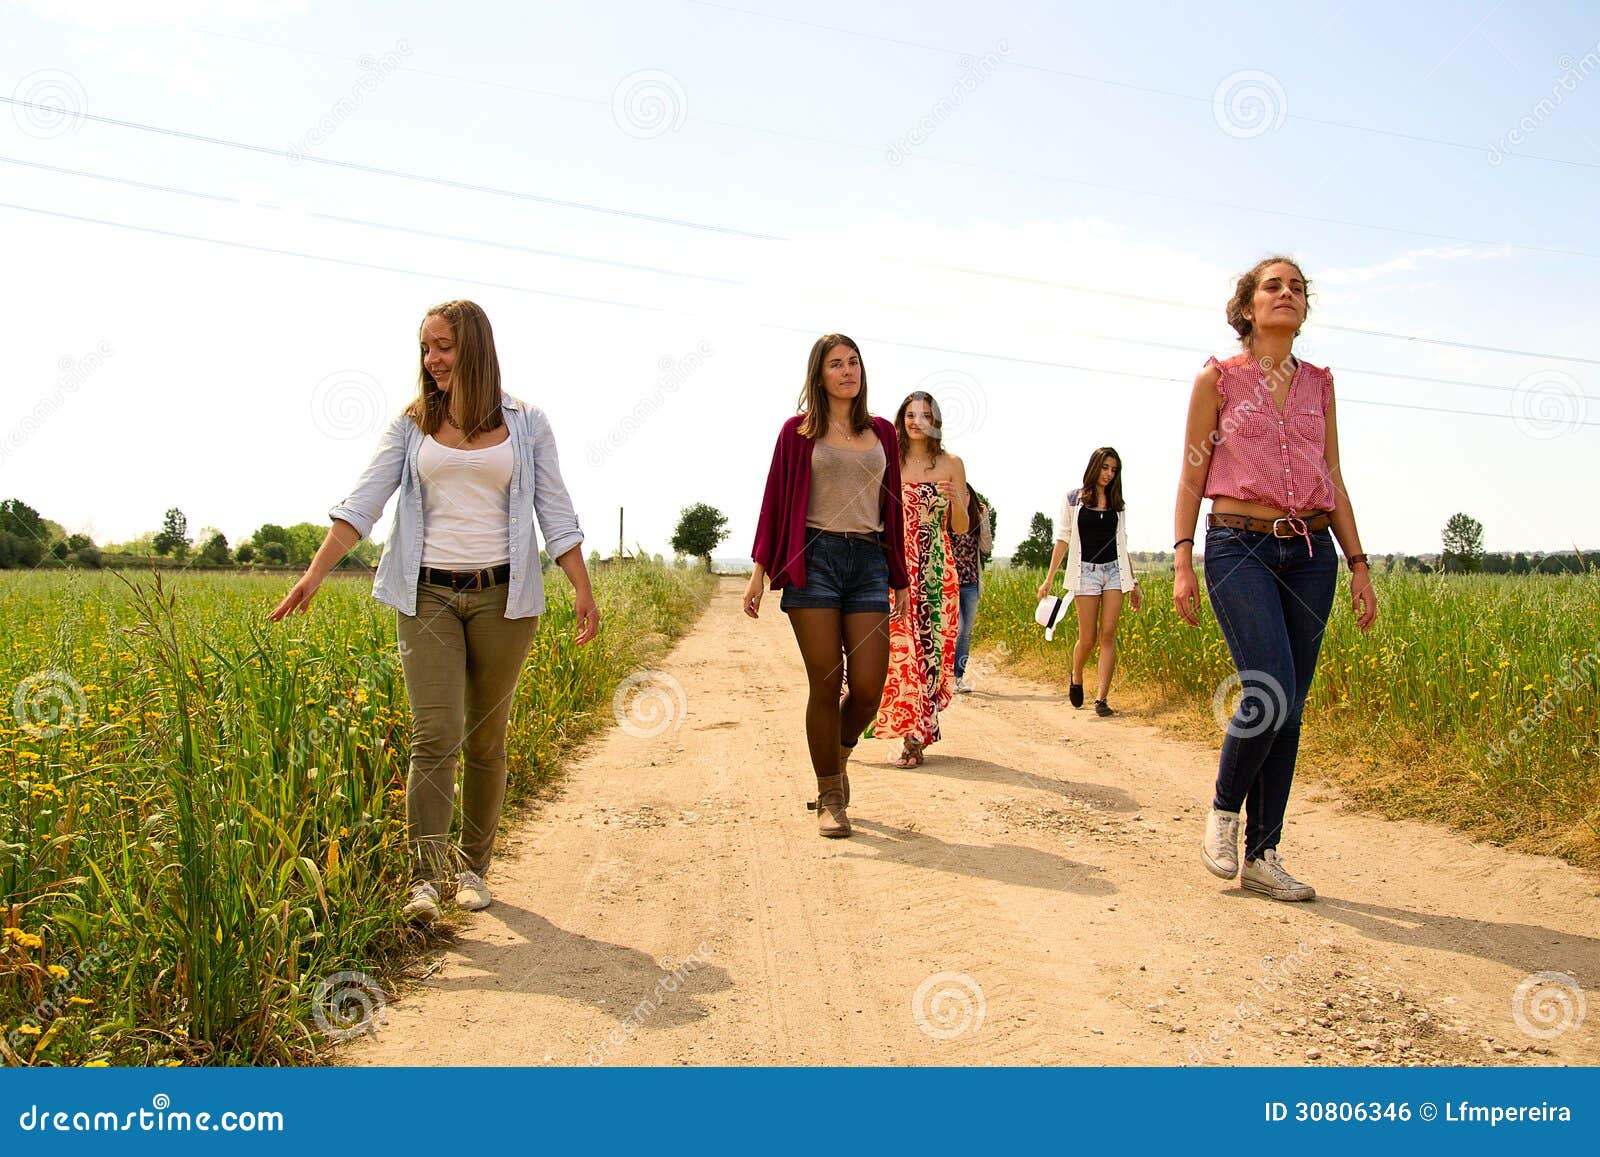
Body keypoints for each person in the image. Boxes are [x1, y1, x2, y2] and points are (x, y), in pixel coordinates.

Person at [269, 299, 600, 924]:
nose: (432, 359)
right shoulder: (412, 424)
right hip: (425, 595)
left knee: (486, 738)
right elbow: (364, 502)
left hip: (506, 597)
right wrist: (315, 573)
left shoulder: (528, 424)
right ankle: (424, 879)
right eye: (425, 347)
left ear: (474, 347)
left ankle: (473, 868)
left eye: (443, 346)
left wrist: (581, 587)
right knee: (435, 734)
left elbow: (555, 509)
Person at [1172, 256, 1377, 902]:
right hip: (1238, 546)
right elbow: (1191, 477)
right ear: (1247, 307)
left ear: (1304, 309)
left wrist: (1359, 562)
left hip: (1312, 553)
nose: (1286, 293)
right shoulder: (1218, 380)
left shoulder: (1320, 383)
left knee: (1290, 711)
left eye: (1296, 288)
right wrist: (1182, 559)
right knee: (1272, 686)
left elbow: (1334, 476)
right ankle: (1225, 808)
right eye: (1272, 286)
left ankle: (1263, 855)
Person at [745, 334, 910, 838]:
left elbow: (893, 506)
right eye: (836, 364)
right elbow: (775, 500)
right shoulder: (797, 433)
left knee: (866, 688)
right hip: (812, 558)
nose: (847, 371)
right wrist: (759, 570)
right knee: (825, 679)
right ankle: (831, 797)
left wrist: (899, 576)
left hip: (868, 562)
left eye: (854, 362)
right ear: (819, 376)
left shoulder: (882, 432)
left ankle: (836, 757)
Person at [869, 392, 969, 767]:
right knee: (893, 652)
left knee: (926, 652)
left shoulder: (951, 464)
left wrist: (956, 499)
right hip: (891, 566)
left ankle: (915, 738)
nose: (916, 421)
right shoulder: (886, 459)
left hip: (934, 571)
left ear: (936, 421)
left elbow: (960, 528)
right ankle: (859, 722)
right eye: (910, 415)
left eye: (925, 415)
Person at [1036, 448, 1141, 715]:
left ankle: (1102, 699)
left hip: (1115, 572)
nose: (1109, 474)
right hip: (1085, 573)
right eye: (1105, 468)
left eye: (1114, 470)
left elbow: (1122, 543)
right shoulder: (1074, 499)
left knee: (1108, 634)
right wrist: (1049, 579)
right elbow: (1062, 538)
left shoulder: (1118, 503)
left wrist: (1134, 582)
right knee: (1089, 638)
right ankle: (1076, 674)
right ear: (1095, 467)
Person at [952, 485, 993, 693]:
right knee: (956, 629)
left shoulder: (977, 520)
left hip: (971, 584)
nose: (964, 498)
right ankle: (946, 676)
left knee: (966, 633)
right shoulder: (948, 518)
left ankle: (958, 677)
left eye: (967, 494)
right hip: (950, 585)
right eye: (961, 493)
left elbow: (987, 548)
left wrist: (984, 518)